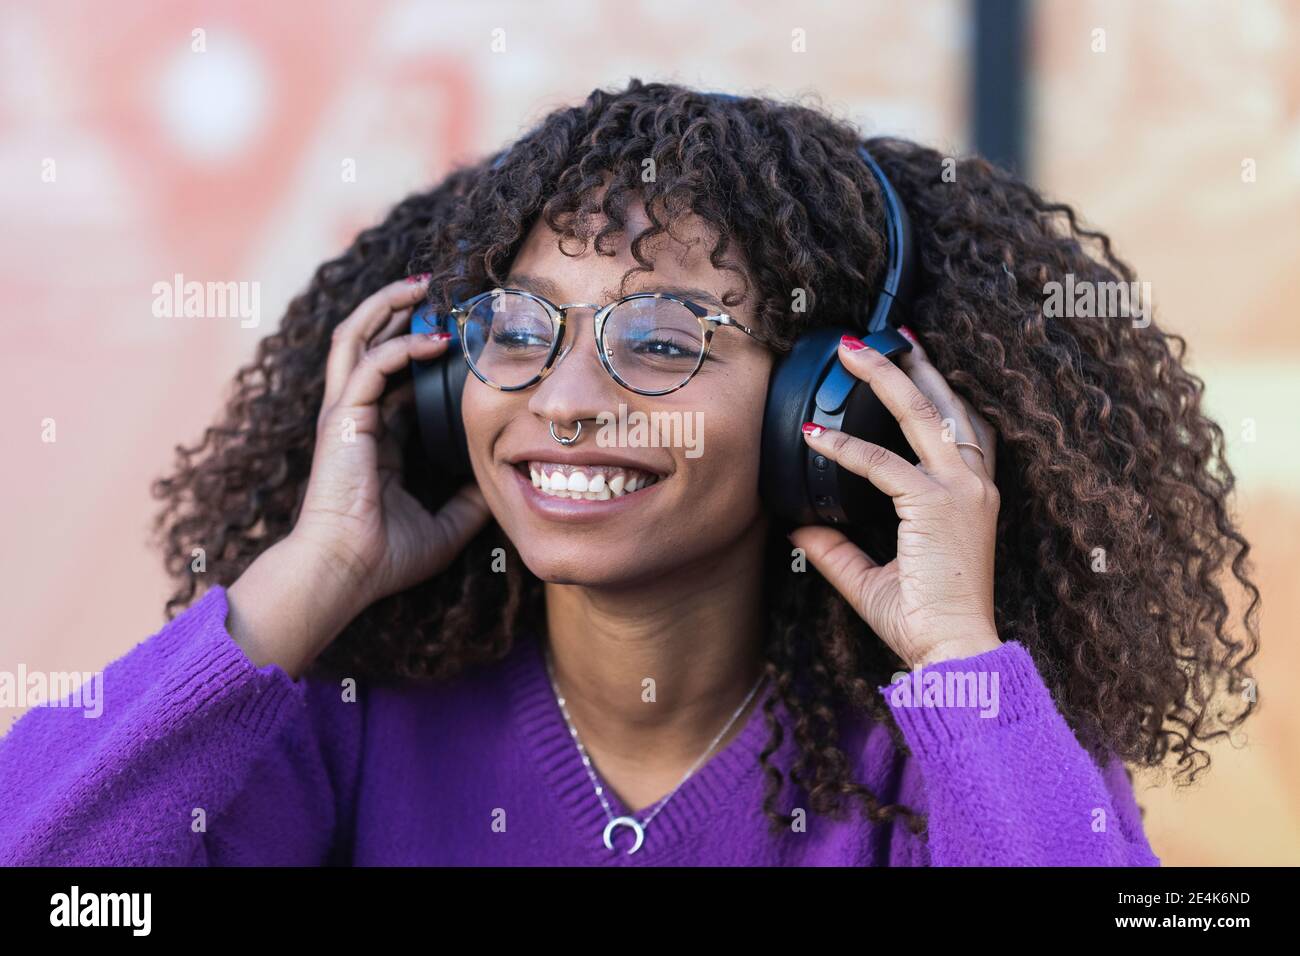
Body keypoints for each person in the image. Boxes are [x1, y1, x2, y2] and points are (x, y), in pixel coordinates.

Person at [0, 79, 1258, 866]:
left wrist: (958, 659)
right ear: (440, 389)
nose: (563, 400)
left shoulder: (945, 753)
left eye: (659, 340)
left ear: (823, 398)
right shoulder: (346, 720)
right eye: (516, 328)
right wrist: (304, 579)